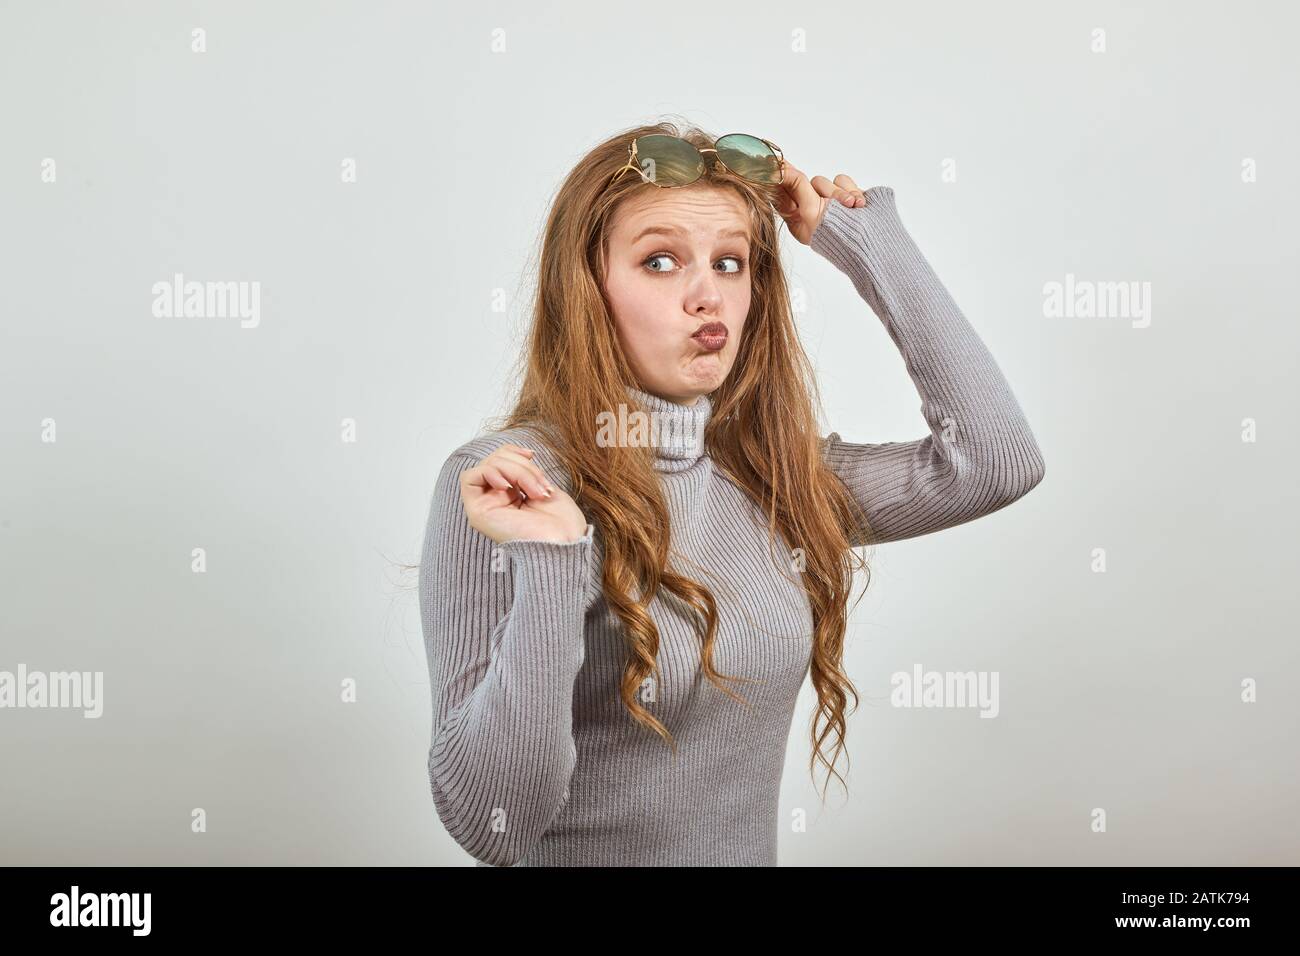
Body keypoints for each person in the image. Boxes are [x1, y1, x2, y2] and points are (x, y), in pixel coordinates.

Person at [418, 122, 1046, 866]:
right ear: (586, 286)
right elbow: (492, 826)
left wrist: (864, 243)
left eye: (729, 262)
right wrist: (556, 562)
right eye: (659, 261)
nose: (706, 296)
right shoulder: (510, 483)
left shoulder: (767, 475)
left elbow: (996, 461)